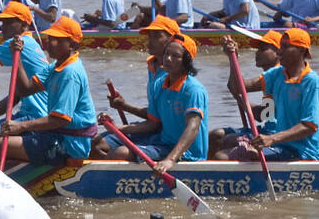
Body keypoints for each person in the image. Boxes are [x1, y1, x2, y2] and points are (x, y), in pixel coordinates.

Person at [0, 16, 96, 166]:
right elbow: (25, 89)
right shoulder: (55, 66)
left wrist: (21, 126)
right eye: (50, 38)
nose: (49, 43)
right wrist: (16, 58)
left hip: (71, 144)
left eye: (57, 40)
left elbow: (60, 119)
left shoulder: (70, 73)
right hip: (56, 133)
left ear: (72, 45)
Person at [101, 35, 208, 170]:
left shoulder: (193, 90)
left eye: (175, 56)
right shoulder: (160, 84)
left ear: (186, 61)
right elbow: (153, 123)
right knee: (102, 143)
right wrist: (116, 128)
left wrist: (170, 160)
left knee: (120, 153)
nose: (168, 59)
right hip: (162, 142)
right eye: (167, 54)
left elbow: (192, 128)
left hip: (187, 153)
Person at [216, 28, 319, 161]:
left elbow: (309, 126)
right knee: (221, 143)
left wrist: (271, 138)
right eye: (280, 46)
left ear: (301, 50)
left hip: (302, 151)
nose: (280, 51)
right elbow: (238, 88)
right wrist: (233, 57)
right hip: (280, 144)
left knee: (224, 156)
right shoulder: (277, 74)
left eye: (285, 47)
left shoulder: (311, 82)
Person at [97, 16, 180, 156]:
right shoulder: (152, 66)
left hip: (164, 135)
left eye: (156, 36)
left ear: (172, 40)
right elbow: (154, 114)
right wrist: (124, 105)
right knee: (97, 144)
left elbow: (156, 123)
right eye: (149, 36)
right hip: (153, 128)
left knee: (118, 153)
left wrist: (118, 128)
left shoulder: (173, 73)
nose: (150, 41)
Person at [0, 2, 52, 130]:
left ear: (24, 25)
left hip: (36, 116)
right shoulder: (30, 42)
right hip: (33, 113)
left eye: (8, 22)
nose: (2, 28)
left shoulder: (19, 42)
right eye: (2, 23)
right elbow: (15, 97)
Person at [210, 31, 281, 155]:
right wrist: (232, 60)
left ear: (279, 53)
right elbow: (264, 114)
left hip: (276, 135)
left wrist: (234, 58)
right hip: (266, 129)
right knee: (216, 135)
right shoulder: (268, 77)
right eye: (257, 49)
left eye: (263, 49)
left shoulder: (278, 74)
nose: (257, 53)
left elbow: (237, 87)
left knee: (226, 144)